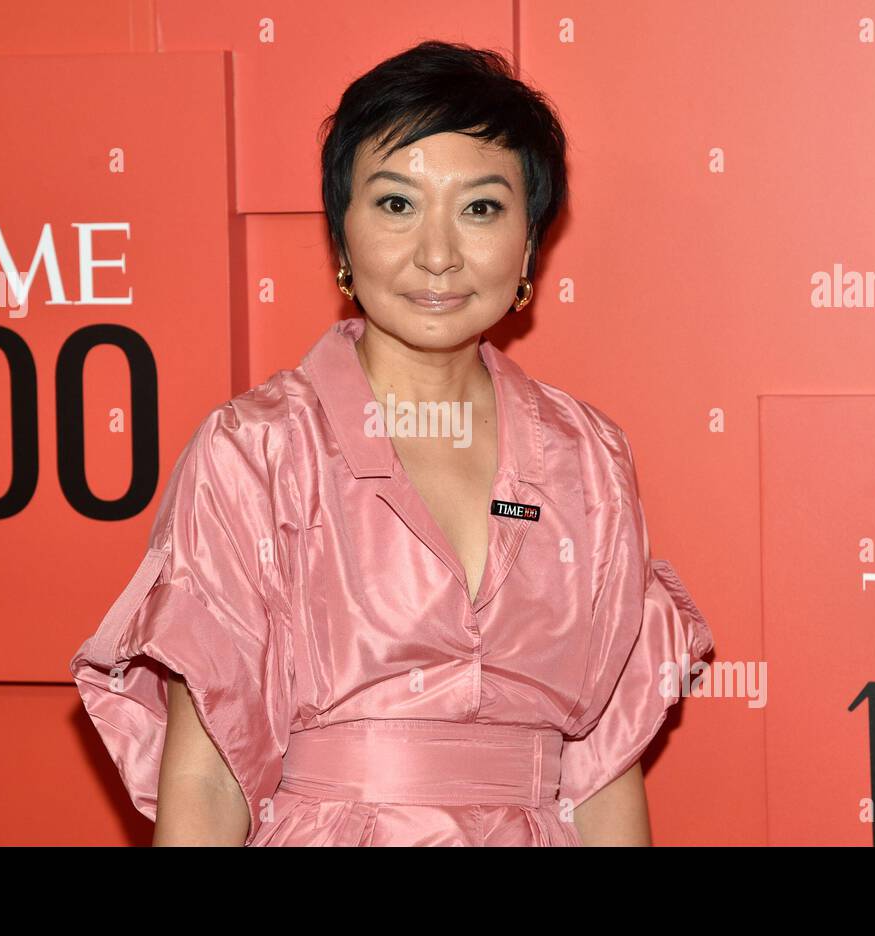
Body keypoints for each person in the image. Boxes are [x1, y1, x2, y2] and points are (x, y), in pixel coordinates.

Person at [68, 39, 713, 846]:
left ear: (529, 245)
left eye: (480, 208)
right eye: (397, 204)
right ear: (342, 236)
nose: (437, 255)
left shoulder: (589, 458)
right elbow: (205, 777)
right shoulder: (259, 450)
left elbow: (605, 774)